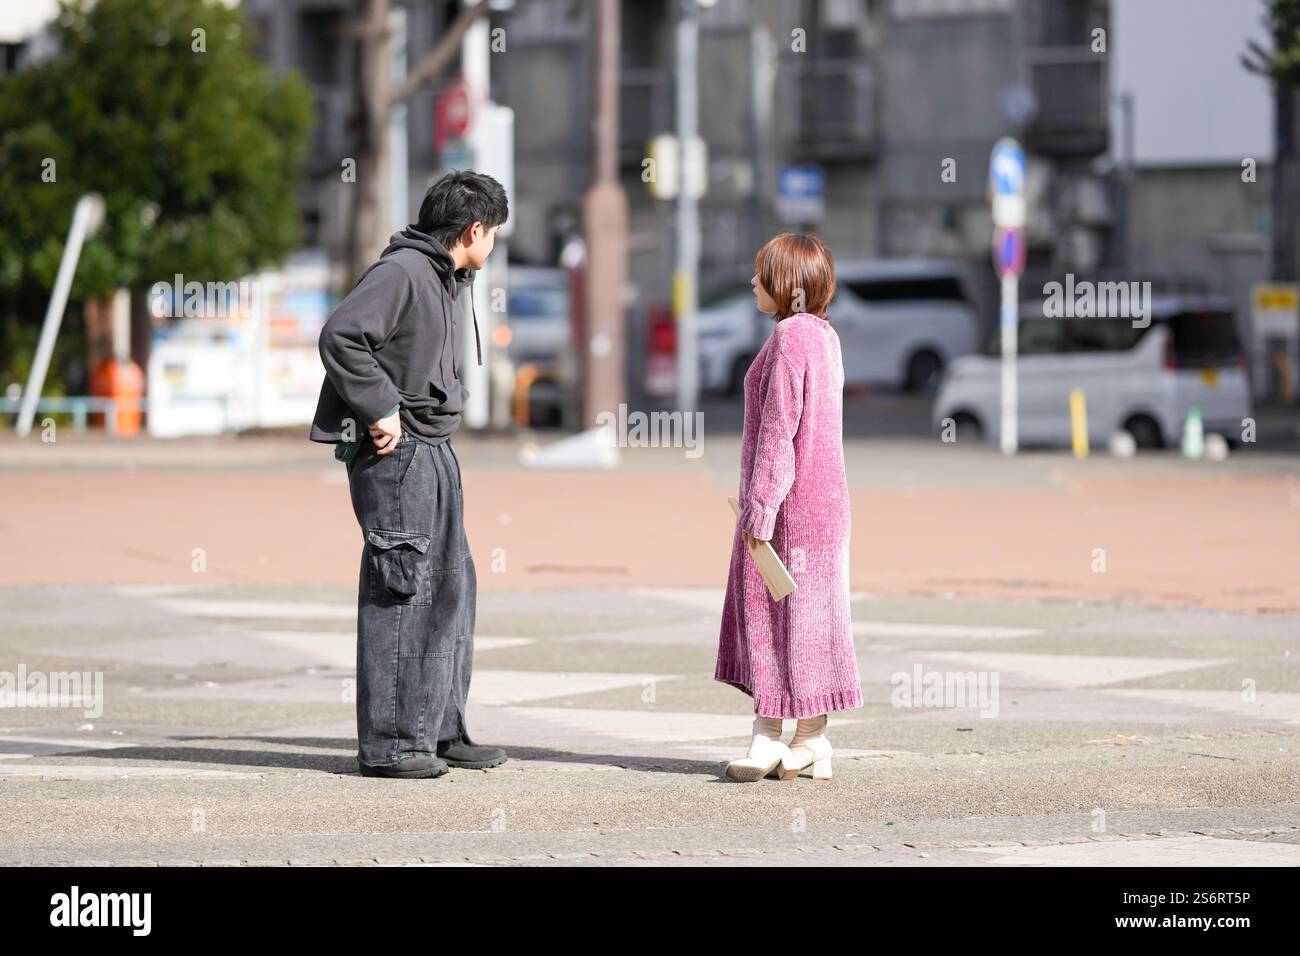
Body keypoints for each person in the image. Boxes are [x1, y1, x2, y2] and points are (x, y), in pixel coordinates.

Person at [310, 170, 509, 779]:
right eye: (494, 230)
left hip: (435, 449)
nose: (495, 241)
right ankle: (395, 744)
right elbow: (342, 335)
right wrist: (379, 406)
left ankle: (440, 731)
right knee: (403, 585)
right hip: (398, 454)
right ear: (473, 229)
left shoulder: (449, 275)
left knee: (451, 588)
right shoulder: (402, 272)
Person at [715, 233, 863, 782]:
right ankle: (811, 741)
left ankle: (766, 738)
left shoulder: (788, 339)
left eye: (762, 273)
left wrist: (758, 511)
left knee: (768, 617)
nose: (754, 282)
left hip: (789, 508)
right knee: (813, 622)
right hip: (826, 504)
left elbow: (780, 432)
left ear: (786, 284)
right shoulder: (825, 336)